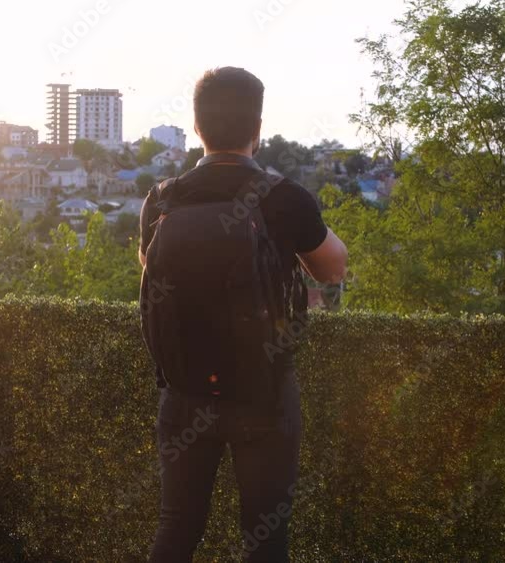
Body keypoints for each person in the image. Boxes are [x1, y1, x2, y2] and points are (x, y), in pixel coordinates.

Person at [139, 66, 348, 562]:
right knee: (264, 537)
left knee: (176, 530)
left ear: (196, 127)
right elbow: (332, 268)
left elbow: (151, 271)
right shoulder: (284, 197)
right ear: (258, 127)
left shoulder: (162, 198)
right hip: (264, 394)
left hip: (184, 392)